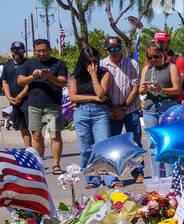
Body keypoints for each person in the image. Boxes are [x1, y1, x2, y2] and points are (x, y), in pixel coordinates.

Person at [17, 38, 68, 173]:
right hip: (34, 105)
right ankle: (39, 164)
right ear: (34, 51)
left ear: (49, 50)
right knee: (36, 135)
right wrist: (32, 77)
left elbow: (62, 82)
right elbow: (20, 81)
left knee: (54, 135)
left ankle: (56, 165)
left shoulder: (58, 64)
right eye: (38, 51)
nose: (41, 53)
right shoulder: (29, 64)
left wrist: (49, 76)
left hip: (52, 104)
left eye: (44, 50)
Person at [138, 42, 183, 177]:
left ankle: (171, 177)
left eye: (156, 57)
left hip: (167, 107)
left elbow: (177, 89)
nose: (153, 60)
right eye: (149, 57)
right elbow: (140, 91)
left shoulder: (171, 67)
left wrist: (161, 89)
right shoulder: (147, 69)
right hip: (151, 108)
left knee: (168, 142)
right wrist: (145, 88)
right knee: (153, 143)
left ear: (162, 54)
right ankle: (156, 177)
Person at [100, 39, 142, 181]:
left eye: (117, 47)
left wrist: (123, 108)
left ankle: (138, 172)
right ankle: (114, 175)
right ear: (107, 50)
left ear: (121, 48)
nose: (115, 51)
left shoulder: (132, 63)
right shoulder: (101, 65)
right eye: (111, 48)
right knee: (112, 144)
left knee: (134, 142)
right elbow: (101, 91)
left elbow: (135, 87)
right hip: (110, 111)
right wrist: (113, 108)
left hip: (131, 109)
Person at [69, 45, 110, 186]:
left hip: (100, 112)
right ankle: (92, 179)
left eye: (95, 61)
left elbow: (101, 93)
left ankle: (110, 179)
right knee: (86, 148)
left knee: (103, 145)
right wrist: (92, 98)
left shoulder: (104, 73)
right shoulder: (75, 76)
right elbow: (73, 97)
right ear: (83, 61)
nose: (92, 65)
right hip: (82, 112)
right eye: (89, 62)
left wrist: (93, 75)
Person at [2, 42, 31, 148]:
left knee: (34, 128)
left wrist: (20, 96)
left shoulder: (29, 63)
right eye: (14, 50)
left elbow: (31, 83)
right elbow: (5, 82)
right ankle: (29, 149)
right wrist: (9, 96)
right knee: (22, 127)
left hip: (28, 100)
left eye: (19, 50)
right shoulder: (7, 64)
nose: (16, 52)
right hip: (14, 101)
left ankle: (37, 153)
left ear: (23, 51)